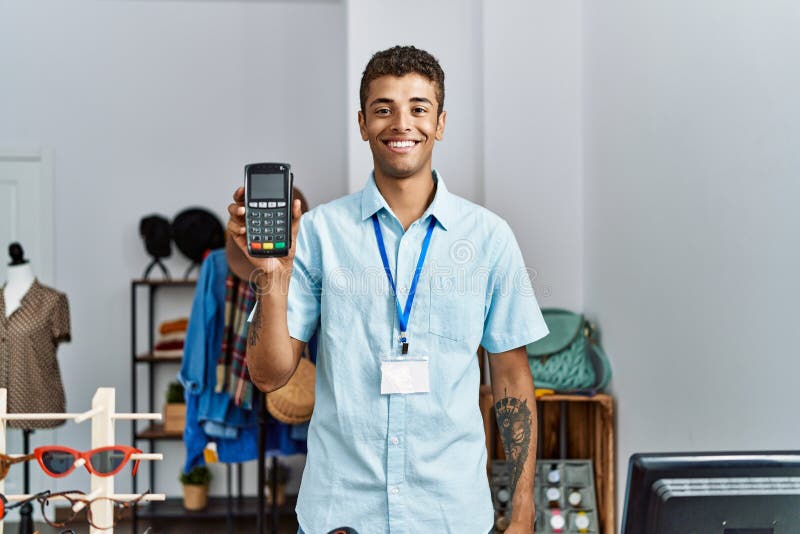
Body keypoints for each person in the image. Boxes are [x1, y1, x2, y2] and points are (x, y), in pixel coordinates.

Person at [227, 45, 548, 534]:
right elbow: (270, 375)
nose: (402, 123)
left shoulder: (490, 238)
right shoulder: (316, 234)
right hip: (341, 515)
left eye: (418, 108)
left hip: (451, 514)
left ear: (440, 123)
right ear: (362, 123)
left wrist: (523, 512)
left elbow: (510, 377)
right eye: (384, 109)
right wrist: (271, 274)